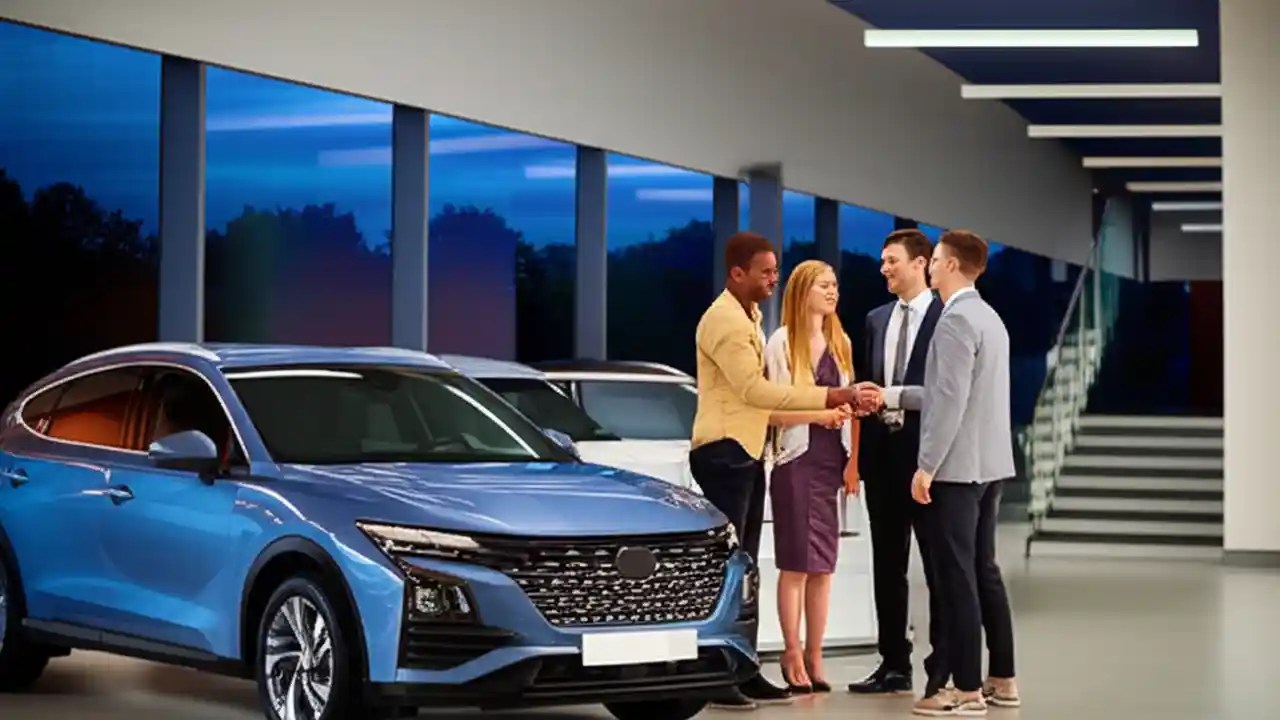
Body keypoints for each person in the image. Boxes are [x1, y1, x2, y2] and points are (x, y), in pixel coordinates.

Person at [690, 231, 862, 710]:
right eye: (765, 272)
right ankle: (720, 675)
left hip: (745, 453)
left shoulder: (749, 315)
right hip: (724, 452)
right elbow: (755, 392)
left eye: (775, 270)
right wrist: (828, 398)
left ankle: (741, 668)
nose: (773, 279)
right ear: (736, 273)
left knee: (743, 568)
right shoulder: (725, 321)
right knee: (728, 570)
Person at [909, 230, 1019, 716]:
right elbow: (958, 394)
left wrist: (926, 465)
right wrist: (893, 396)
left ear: (951, 265)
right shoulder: (991, 318)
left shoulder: (954, 322)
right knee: (984, 571)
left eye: (933, 260)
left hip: (957, 470)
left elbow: (949, 403)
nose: (930, 268)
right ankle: (1004, 679)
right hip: (990, 465)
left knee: (957, 578)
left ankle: (968, 689)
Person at [845, 229, 947, 696]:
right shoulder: (874, 319)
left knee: (937, 564)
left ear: (921, 263)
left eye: (891, 261)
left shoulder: (948, 317)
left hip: (928, 459)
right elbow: (868, 385)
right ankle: (893, 664)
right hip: (882, 458)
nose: (884, 268)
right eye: (882, 261)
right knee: (887, 563)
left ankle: (942, 665)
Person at [762, 259, 861, 695]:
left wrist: (853, 462)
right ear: (803, 291)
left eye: (835, 285)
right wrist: (822, 414)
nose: (833, 291)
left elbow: (853, 405)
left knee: (824, 566)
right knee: (796, 563)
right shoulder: (781, 343)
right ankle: (791, 651)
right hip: (795, 460)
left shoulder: (841, 343)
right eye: (824, 285)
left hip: (830, 462)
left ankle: (817, 654)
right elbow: (772, 411)